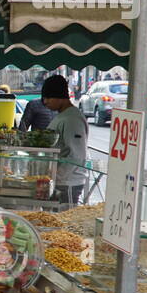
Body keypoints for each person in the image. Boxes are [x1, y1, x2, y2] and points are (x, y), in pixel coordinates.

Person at [42, 74, 89, 205]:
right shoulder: (62, 116)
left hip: (68, 183)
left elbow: (76, 155)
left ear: (61, 96)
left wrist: (57, 177)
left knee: (64, 221)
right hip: (58, 181)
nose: (45, 102)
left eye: (49, 97)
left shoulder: (72, 119)